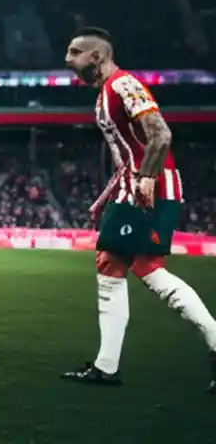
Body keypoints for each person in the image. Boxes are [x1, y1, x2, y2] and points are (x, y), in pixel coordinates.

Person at [60, 27, 216, 391]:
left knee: (135, 266)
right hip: (134, 186)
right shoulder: (104, 94)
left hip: (151, 187)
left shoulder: (123, 85)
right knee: (126, 265)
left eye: (74, 52)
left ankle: (108, 366)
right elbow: (126, 157)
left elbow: (161, 134)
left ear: (96, 57)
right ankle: (106, 366)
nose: (67, 59)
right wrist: (105, 197)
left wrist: (146, 178)